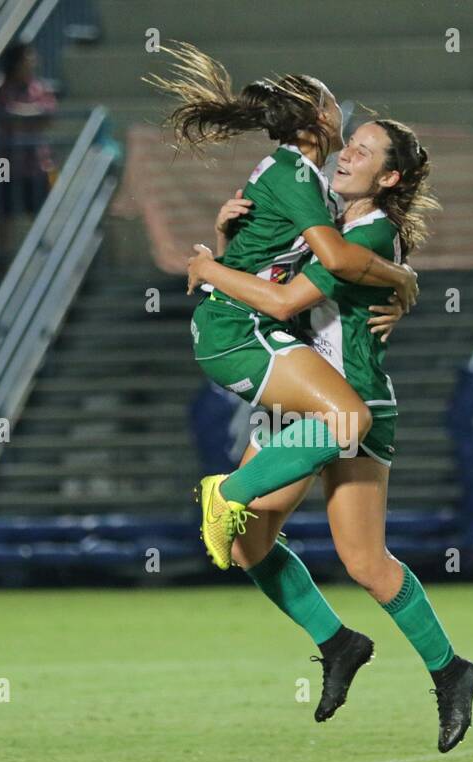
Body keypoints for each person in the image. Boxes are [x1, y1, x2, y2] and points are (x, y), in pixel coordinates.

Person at [187, 120, 473, 752]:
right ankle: (338, 642)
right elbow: (267, 272)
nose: (347, 152)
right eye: (351, 142)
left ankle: (451, 671)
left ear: (390, 177)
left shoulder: (368, 231)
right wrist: (225, 238)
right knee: (248, 547)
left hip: (348, 396)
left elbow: (284, 302)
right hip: (298, 390)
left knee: (366, 564)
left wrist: (206, 268)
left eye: (366, 151)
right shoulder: (325, 218)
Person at [147, 43, 418, 573]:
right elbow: (331, 264)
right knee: (346, 421)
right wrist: (403, 277)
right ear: (320, 115)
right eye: (337, 106)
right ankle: (224, 492)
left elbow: (272, 263)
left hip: (253, 328)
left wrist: (223, 246)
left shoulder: (312, 182)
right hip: (243, 328)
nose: (347, 121)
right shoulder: (296, 174)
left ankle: (338, 644)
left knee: (254, 543)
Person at [0, 42, 58, 264]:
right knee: (6, 212)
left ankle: (44, 257)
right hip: (8, 164)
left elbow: (48, 113)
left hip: (36, 163)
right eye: (27, 58)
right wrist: (33, 115)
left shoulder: (38, 88)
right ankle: (2, 259)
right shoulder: (4, 89)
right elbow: (8, 113)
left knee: (39, 210)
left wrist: (27, 115)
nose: (31, 62)